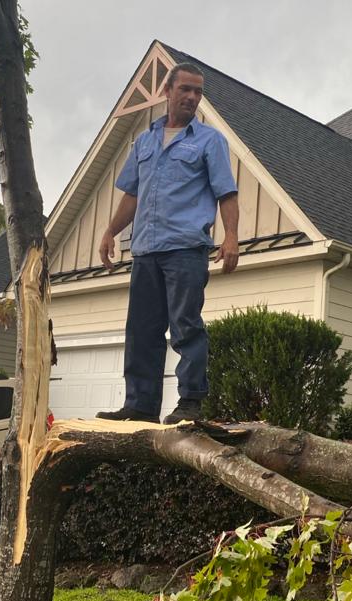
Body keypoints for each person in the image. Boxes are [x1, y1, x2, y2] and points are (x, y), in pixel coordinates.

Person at [96, 62, 240, 424]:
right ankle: (140, 405)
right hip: (145, 250)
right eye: (185, 89)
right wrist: (111, 232)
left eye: (198, 92)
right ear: (167, 91)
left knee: (185, 326)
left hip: (186, 250)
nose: (192, 97)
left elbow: (227, 192)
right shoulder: (143, 142)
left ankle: (190, 403)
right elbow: (132, 195)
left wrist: (232, 236)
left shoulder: (210, 141)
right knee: (142, 330)